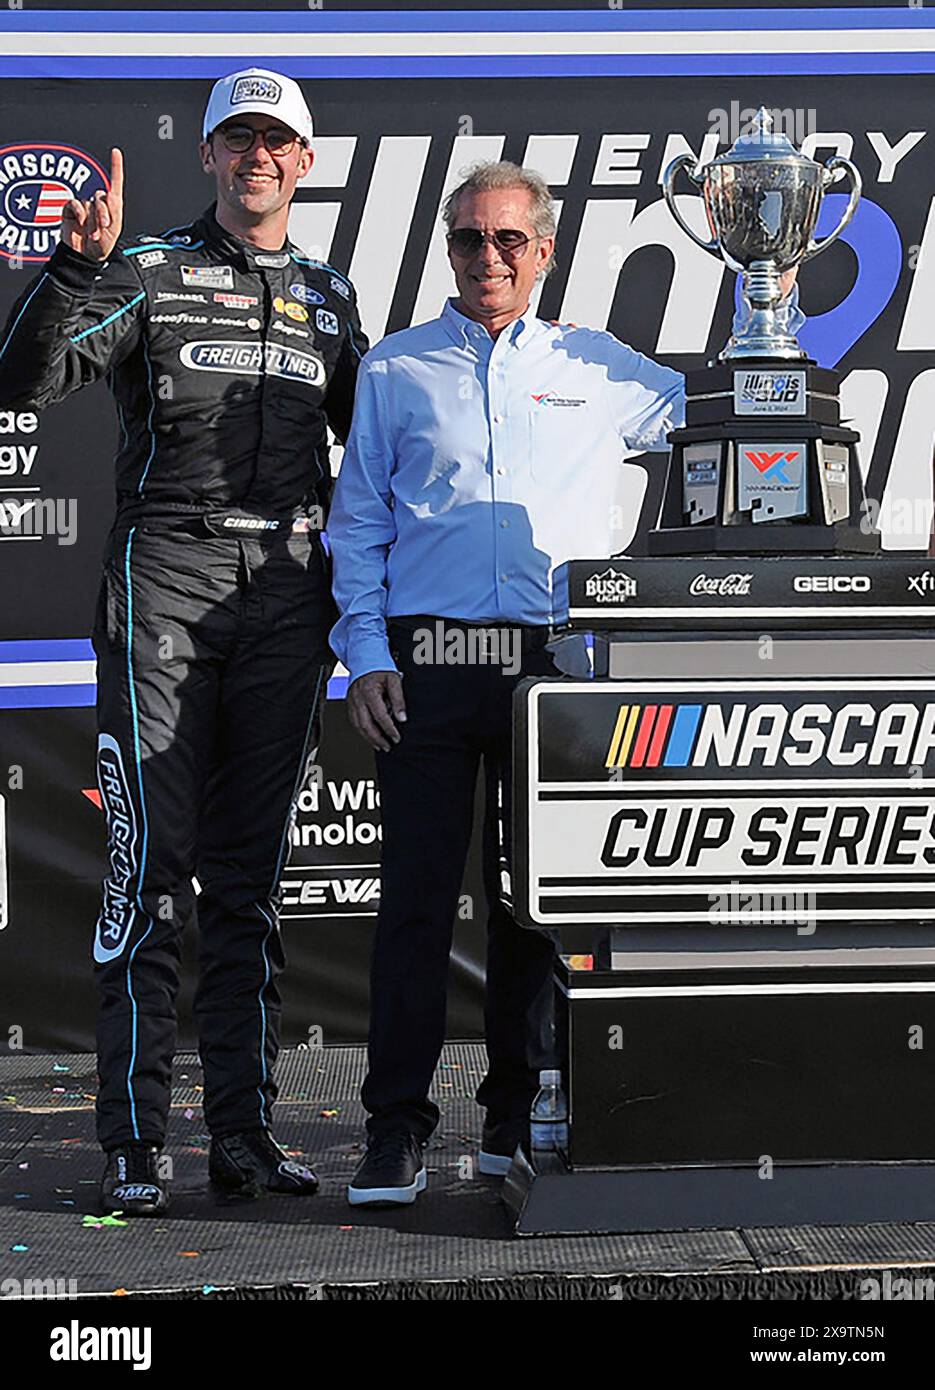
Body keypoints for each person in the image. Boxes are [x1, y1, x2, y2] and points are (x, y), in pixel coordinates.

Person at [328, 159, 802, 1206]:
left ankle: (513, 1119)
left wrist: (774, 333)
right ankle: (394, 1131)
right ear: (446, 248)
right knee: (412, 904)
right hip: (427, 664)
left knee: (535, 907)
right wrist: (362, 653)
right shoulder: (394, 369)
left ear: (543, 252)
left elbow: (728, 421)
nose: (487, 258)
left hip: (556, 661)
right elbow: (355, 527)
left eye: (508, 240)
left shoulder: (601, 367)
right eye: (467, 239)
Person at [0, 67, 368, 1215]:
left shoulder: (330, 293)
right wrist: (72, 267)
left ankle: (245, 1137)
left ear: (304, 162)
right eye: (237, 139)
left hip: (287, 591)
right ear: (208, 156)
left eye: (277, 140)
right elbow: (25, 379)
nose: (257, 156)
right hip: (163, 574)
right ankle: (132, 1141)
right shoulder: (146, 272)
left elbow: (385, 441)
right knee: (149, 873)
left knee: (250, 884)